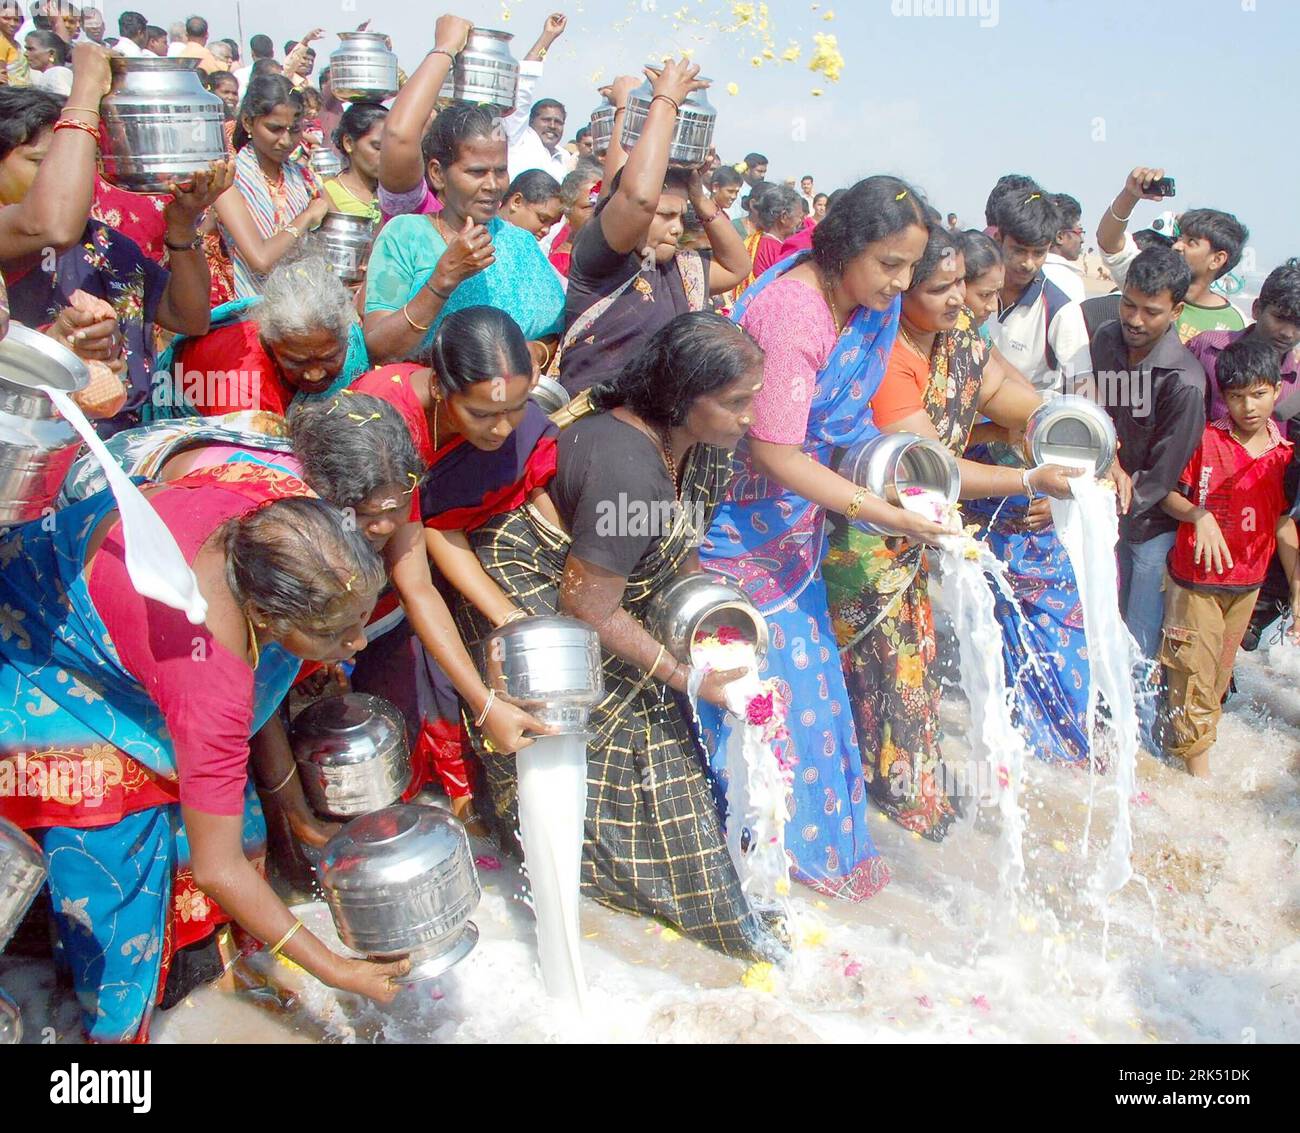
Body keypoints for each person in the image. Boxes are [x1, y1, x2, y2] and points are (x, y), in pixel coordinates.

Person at [0, 468, 408, 1042]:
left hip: (144, 622)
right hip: (42, 634)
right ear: (267, 620)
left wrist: (292, 808)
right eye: (337, 632)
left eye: (360, 620)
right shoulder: (211, 675)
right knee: (114, 846)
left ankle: (214, 964)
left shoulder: (275, 522)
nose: (357, 644)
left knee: (224, 811)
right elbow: (219, 869)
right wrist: (338, 970)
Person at [454, 309, 772, 956]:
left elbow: (673, 546)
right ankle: (610, 887)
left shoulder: (691, 447)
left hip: (598, 589)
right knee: (619, 755)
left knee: (670, 750)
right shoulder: (630, 469)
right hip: (542, 596)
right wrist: (689, 678)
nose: (750, 418)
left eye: (753, 400)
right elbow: (588, 606)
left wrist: (705, 630)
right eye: (737, 403)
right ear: (684, 400)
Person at [697, 175, 949, 899]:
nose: (901, 283)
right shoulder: (793, 312)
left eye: (910, 267)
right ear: (843, 247)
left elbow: (844, 427)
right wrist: (879, 509)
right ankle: (751, 862)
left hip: (796, 534)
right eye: (889, 265)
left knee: (814, 695)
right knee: (758, 695)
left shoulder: (867, 309)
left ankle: (814, 856)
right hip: (735, 533)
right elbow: (775, 450)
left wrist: (907, 483)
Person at [822, 223, 1083, 839]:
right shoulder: (885, 355)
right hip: (865, 541)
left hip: (915, 536)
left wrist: (1072, 433)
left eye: (962, 283)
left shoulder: (959, 339)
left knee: (912, 668)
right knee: (884, 668)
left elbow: (1009, 396)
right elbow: (933, 464)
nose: (959, 298)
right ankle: (892, 807)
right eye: (941, 287)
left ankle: (906, 800)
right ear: (904, 287)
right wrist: (1028, 481)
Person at [348, 306, 562, 821]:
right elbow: (416, 584)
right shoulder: (385, 421)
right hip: (358, 571)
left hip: (416, 567)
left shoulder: (507, 427)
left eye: (514, 408)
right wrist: (486, 706)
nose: (502, 429)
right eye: (483, 414)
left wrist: (515, 616)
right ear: (441, 389)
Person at [1, 83, 223, 432]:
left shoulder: (105, 244)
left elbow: (191, 318)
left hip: (124, 436)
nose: (66, 178)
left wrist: (181, 226)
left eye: (79, 163)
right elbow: (52, 225)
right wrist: (57, 346)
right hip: (36, 444)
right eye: (41, 163)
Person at [557, 60, 750, 395]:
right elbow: (633, 198)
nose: (675, 229)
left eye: (680, 217)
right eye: (664, 216)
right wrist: (665, 102)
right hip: (598, 424)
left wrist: (699, 198)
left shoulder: (679, 268)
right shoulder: (602, 258)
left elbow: (737, 266)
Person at [1158, 336, 1299, 776]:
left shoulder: (1285, 456)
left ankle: (1179, 764)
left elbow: (1282, 521)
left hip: (1246, 586)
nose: (1248, 407)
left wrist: (1296, 589)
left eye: (1258, 394)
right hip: (1195, 582)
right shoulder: (1203, 440)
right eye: (1237, 397)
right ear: (1224, 397)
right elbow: (1165, 494)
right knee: (1191, 678)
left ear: (1278, 390)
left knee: (1216, 681)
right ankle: (1201, 791)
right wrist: (1198, 514)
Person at [363, 102, 565, 365]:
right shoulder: (405, 236)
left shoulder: (519, 243)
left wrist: (537, 351)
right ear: (437, 174)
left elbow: (551, 329)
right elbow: (379, 346)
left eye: (501, 171)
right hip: (420, 399)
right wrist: (443, 280)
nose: (493, 185)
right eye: (477, 172)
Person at [1094, 247, 1208, 660]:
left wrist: (1111, 497)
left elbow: (1161, 478)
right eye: (1129, 304)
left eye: (1151, 311)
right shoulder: (1107, 338)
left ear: (1177, 310)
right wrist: (1109, 465)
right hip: (1101, 505)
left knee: (1138, 644)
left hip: (1148, 529)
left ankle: (1139, 722)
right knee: (1097, 623)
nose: (1134, 320)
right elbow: (1092, 411)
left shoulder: (1185, 384)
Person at [151, 253, 369, 418]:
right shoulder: (241, 390)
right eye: (296, 361)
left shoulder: (350, 341)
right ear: (270, 340)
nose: (314, 374)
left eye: (329, 357)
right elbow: (245, 464)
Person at [1096, 166, 1249, 342]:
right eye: (1179, 238)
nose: (1177, 246)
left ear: (1217, 259)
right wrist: (1129, 195)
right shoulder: (1149, 281)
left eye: (1191, 242)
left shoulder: (1236, 323)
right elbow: (1109, 242)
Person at [215, 74, 328, 299]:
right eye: (275, 129)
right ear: (248, 122)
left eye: (294, 130)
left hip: (302, 307)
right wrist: (306, 218)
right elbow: (261, 261)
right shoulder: (228, 179)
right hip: (249, 311)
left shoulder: (303, 176)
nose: (286, 141)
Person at [986, 182, 1093, 392]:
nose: (1028, 264)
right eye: (1018, 251)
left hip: (1027, 416)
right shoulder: (969, 289)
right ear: (999, 239)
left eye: (1038, 253)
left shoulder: (1061, 310)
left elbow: (1082, 381)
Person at [322, 101, 386, 223]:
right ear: (349, 143)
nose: (386, 156)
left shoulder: (395, 193)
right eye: (377, 147)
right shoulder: (326, 193)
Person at [547, 158, 601, 278]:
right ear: (568, 210)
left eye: (603, 203)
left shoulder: (592, 244)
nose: (598, 212)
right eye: (589, 206)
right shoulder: (562, 265)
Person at [1043, 192, 1086, 304]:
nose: (1082, 240)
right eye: (1079, 231)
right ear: (1060, 237)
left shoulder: (1025, 273)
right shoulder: (1070, 281)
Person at [501, 168, 563, 241]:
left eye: (552, 224)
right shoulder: (486, 241)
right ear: (517, 201)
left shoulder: (528, 248)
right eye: (543, 219)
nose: (546, 231)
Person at [23, 27, 69, 93]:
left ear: (51, 53)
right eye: (26, 49)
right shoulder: (46, 75)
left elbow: (64, 100)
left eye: (30, 49)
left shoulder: (57, 74)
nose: (25, 54)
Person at [0, 1, 30, 84]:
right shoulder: (1, 43)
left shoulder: (16, 44)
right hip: (9, 94)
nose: (12, 23)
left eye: (16, 20)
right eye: (6, 18)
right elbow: (2, 78)